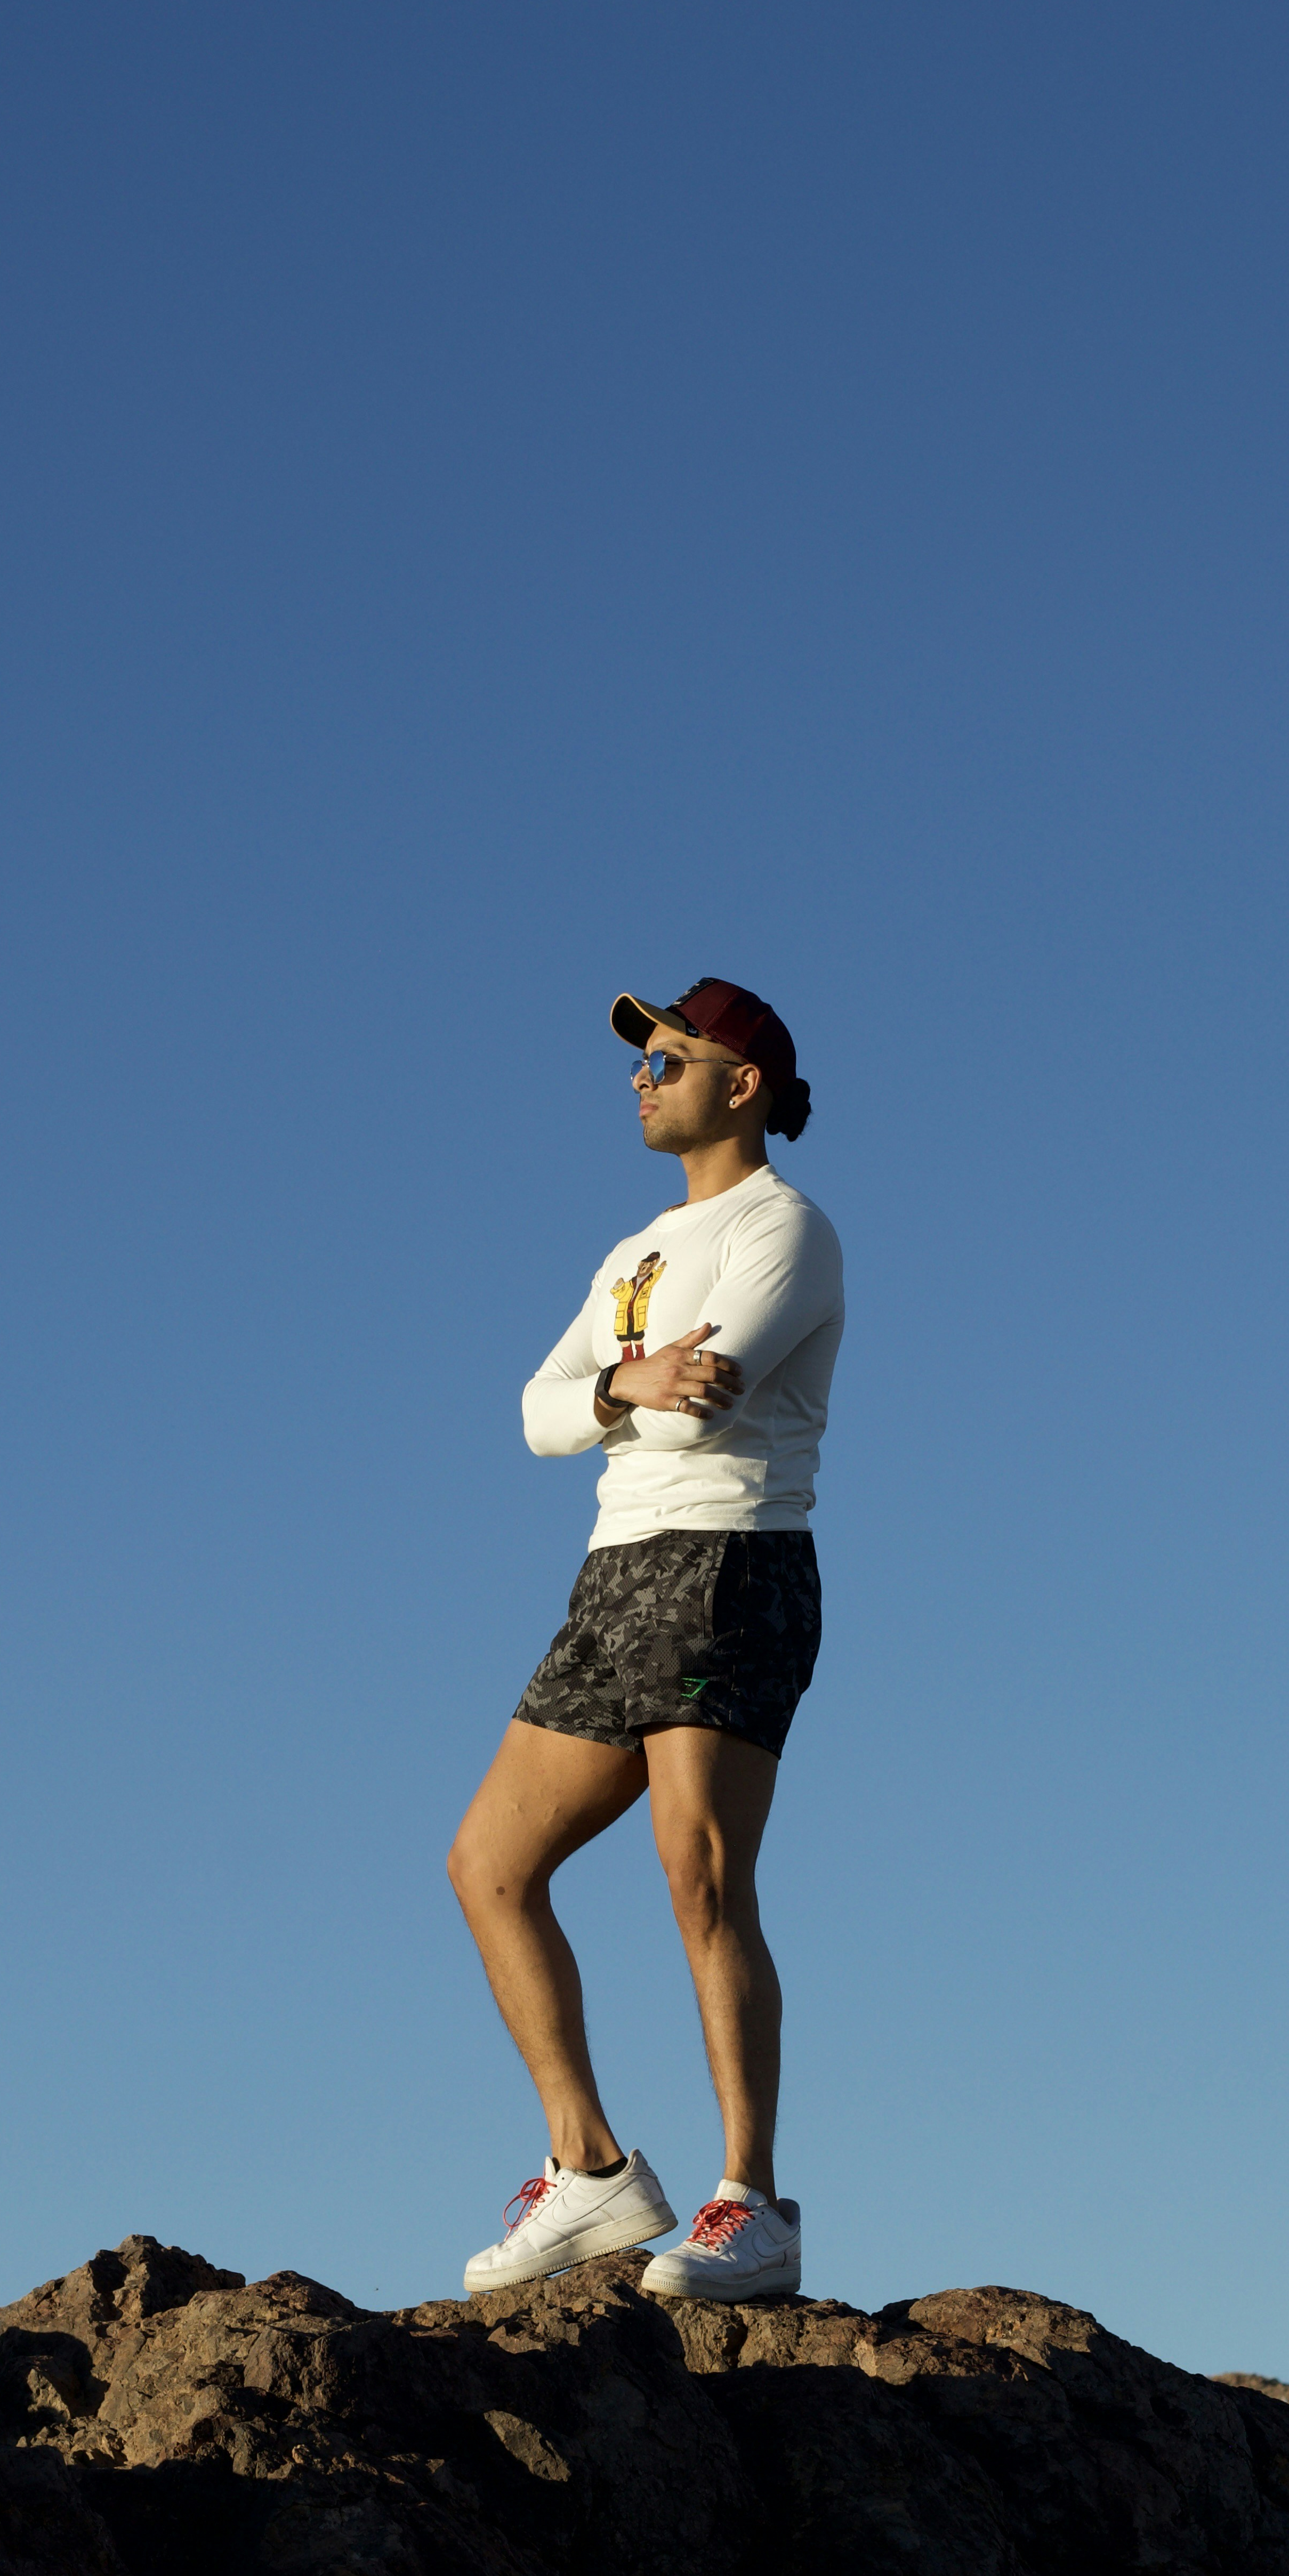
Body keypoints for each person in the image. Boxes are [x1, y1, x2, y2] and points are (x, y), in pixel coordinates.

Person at [447, 977, 843, 2301]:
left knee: (699, 1871)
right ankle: (593, 2173)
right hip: (611, 1576)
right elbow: (533, 1414)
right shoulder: (629, 1258)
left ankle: (754, 2207)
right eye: (639, 1060)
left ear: (741, 1084)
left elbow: (697, 1418)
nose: (640, 1075)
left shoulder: (785, 1229)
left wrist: (617, 1401)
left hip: (732, 1558)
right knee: (488, 1865)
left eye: (668, 1056)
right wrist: (628, 1379)